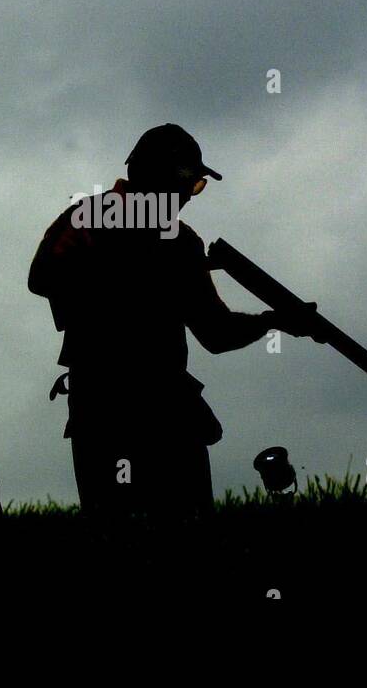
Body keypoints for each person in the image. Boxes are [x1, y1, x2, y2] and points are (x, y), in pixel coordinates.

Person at [28, 124, 320, 516]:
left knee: (189, 541)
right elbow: (42, 277)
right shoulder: (91, 218)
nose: (189, 196)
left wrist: (274, 320)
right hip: (107, 405)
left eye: (196, 186)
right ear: (166, 177)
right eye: (191, 182)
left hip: (168, 407)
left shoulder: (183, 243)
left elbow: (216, 333)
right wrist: (140, 275)